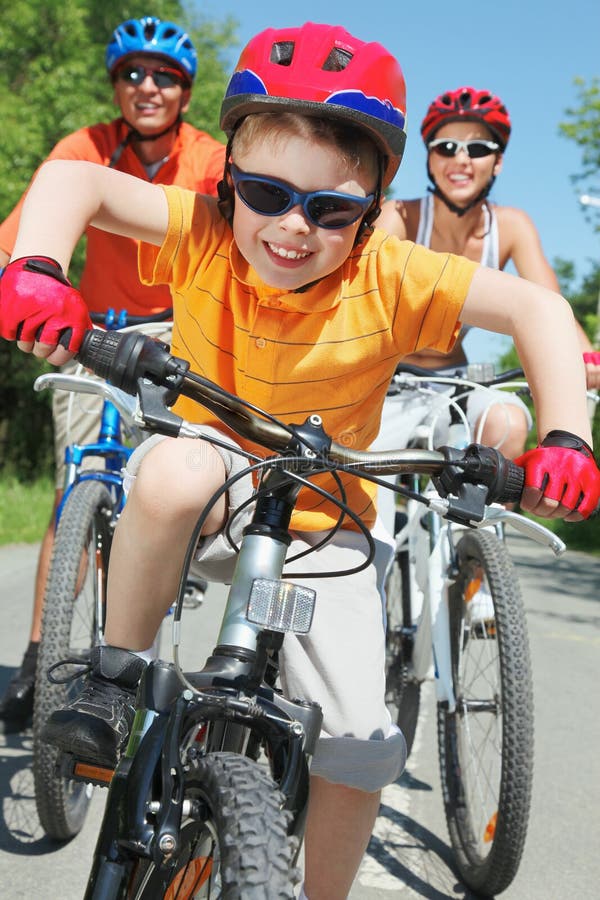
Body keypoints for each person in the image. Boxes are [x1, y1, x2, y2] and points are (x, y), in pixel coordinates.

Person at [1, 23, 598, 899]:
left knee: (358, 743)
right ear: (227, 181)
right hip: (210, 483)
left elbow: (538, 312)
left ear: (372, 210)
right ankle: (114, 677)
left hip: (325, 518)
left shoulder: (394, 273)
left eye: (330, 210)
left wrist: (568, 438)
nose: (292, 227)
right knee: (173, 469)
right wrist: (39, 266)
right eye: (266, 193)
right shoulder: (203, 229)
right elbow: (74, 181)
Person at [0, 16, 226, 732]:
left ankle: (137, 638)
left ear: (185, 92)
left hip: (175, 333)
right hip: (90, 330)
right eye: (132, 73)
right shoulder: (87, 147)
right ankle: (39, 658)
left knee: (165, 484)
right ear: (116, 86)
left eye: (164, 76)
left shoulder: (209, 156)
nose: (147, 87)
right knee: (75, 488)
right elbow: (18, 237)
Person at [373, 84, 600, 533]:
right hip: (390, 381)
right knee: (366, 507)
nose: (461, 159)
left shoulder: (511, 226)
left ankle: (473, 555)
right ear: (429, 158)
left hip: (458, 380)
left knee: (508, 420)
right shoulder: (399, 217)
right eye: (446, 147)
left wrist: (587, 355)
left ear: (497, 163)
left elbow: (551, 304)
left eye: (478, 148)